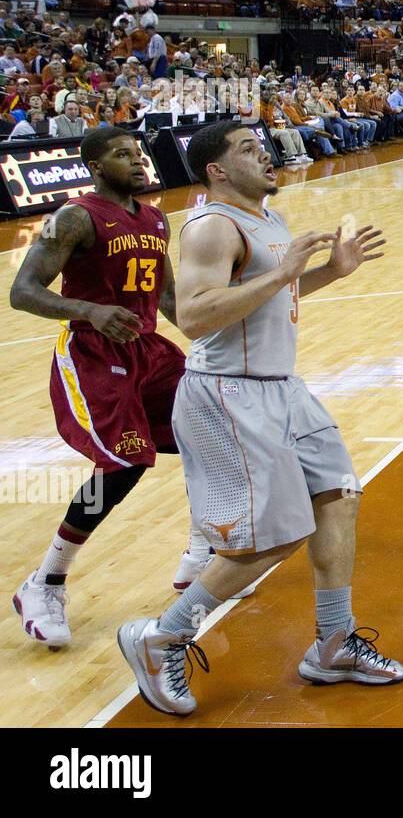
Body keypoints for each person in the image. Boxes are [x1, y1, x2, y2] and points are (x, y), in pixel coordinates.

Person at [116, 121, 403, 716]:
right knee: (269, 539)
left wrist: (330, 272)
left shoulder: (266, 219)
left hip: (282, 389)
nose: (265, 154)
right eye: (248, 149)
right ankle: (162, 635)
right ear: (217, 170)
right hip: (229, 394)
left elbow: (273, 295)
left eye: (262, 144)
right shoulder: (209, 226)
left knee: (337, 497)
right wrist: (285, 271)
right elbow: (194, 317)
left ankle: (332, 643)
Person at [9, 128, 222, 649]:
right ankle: (45, 582)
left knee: (210, 427)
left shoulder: (154, 217)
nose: (137, 161)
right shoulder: (75, 216)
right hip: (93, 354)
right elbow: (23, 291)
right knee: (125, 464)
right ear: (95, 166)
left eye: (138, 153)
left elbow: (168, 294)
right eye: (121, 155)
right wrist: (88, 310)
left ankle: (199, 556)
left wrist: (216, 329)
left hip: (147, 350)